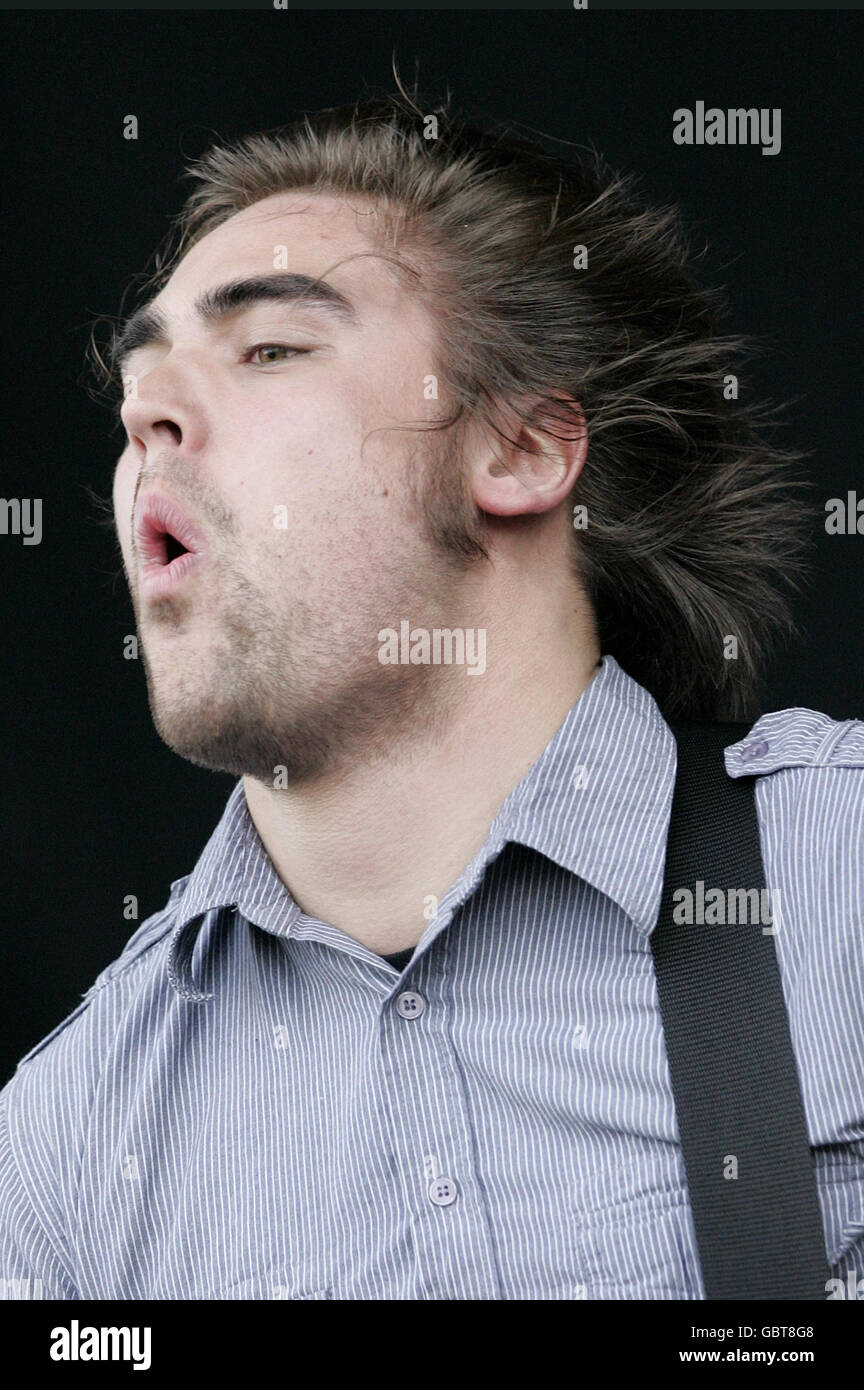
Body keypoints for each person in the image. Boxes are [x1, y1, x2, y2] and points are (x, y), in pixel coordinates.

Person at [1, 86, 861, 1301]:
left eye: (270, 348)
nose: (145, 414)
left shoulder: (845, 881)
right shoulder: (66, 1144)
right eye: (140, 387)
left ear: (517, 450)